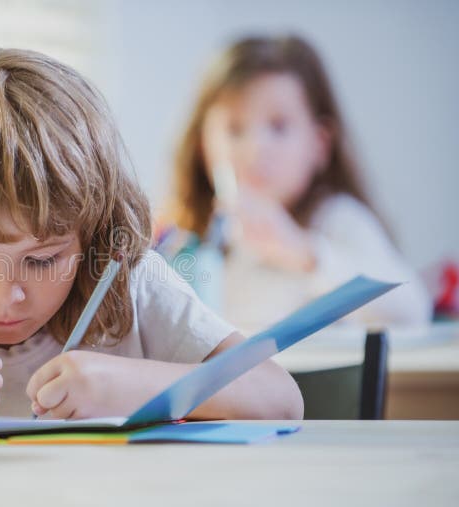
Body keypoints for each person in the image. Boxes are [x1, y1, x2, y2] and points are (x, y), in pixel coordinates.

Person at [0, 46, 302, 420]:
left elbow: (279, 397)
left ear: (94, 235)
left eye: (42, 260)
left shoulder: (131, 286)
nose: (7, 298)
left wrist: (130, 385)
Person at [166, 35, 432, 332]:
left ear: (319, 144)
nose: (255, 150)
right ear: (203, 144)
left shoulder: (336, 221)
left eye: (279, 127)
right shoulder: (189, 242)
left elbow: (411, 310)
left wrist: (304, 254)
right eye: (234, 129)